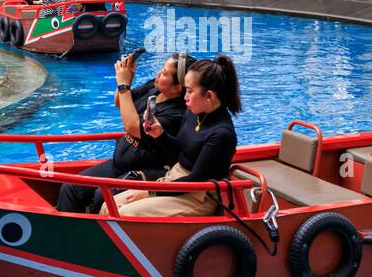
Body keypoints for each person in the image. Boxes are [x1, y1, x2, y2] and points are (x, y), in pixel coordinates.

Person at [105, 55, 241, 217]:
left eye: (190, 91)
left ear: (209, 96)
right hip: (174, 179)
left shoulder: (222, 134)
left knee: (124, 213)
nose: (185, 97)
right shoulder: (193, 113)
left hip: (197, 195)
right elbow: (179, 151)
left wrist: (150, 191)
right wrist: (160, 134)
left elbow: (196, 179)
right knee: (110, 206)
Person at [57, 52, 189, 213]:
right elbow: (120, 102)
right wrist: (127, 81)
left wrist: (123, 84)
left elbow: (133, 127)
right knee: (70, 188)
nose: (157, 73)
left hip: (145, 170)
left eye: (164, 73)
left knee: (101, 197)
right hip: (119, 164)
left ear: (177, 87)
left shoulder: (176, 114)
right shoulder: (154, 88)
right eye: (161, 68)